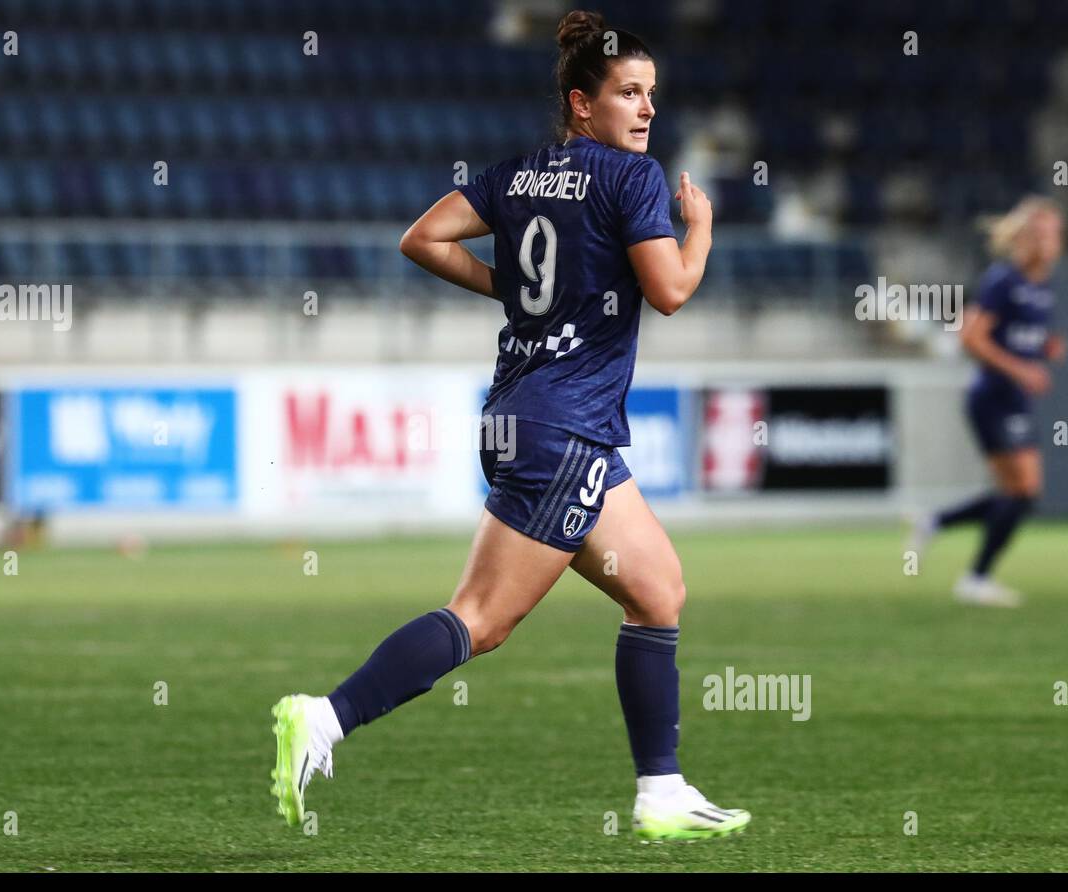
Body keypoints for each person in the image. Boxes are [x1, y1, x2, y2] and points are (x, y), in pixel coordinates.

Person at [271, 9, 750, 841]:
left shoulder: (521, 175)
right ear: (581, 102)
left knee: (657, 588)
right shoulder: (633, 180)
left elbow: (421, 238)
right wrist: (700, 230)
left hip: (527, 422)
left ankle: (662, 789)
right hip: (563, 430)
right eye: (628, 94)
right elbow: (670, 290)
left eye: (651, 96)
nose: (645, 110)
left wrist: (514, 291)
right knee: (480, 619)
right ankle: (326, 714)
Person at [912, 197, 1066, 607]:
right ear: (1028, 239)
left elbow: (1019, 339)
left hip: (1012, 398)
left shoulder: (1041, 286)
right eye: (1046, 233)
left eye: (1056, 233)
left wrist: (1045, 349)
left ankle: (937, 523)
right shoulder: (1004, 280)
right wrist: (1022, 370)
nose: (1053, 241)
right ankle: (975, 578)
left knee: (1018, 492)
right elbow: (970, 336)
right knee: (1024, 490)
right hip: (992, 398)